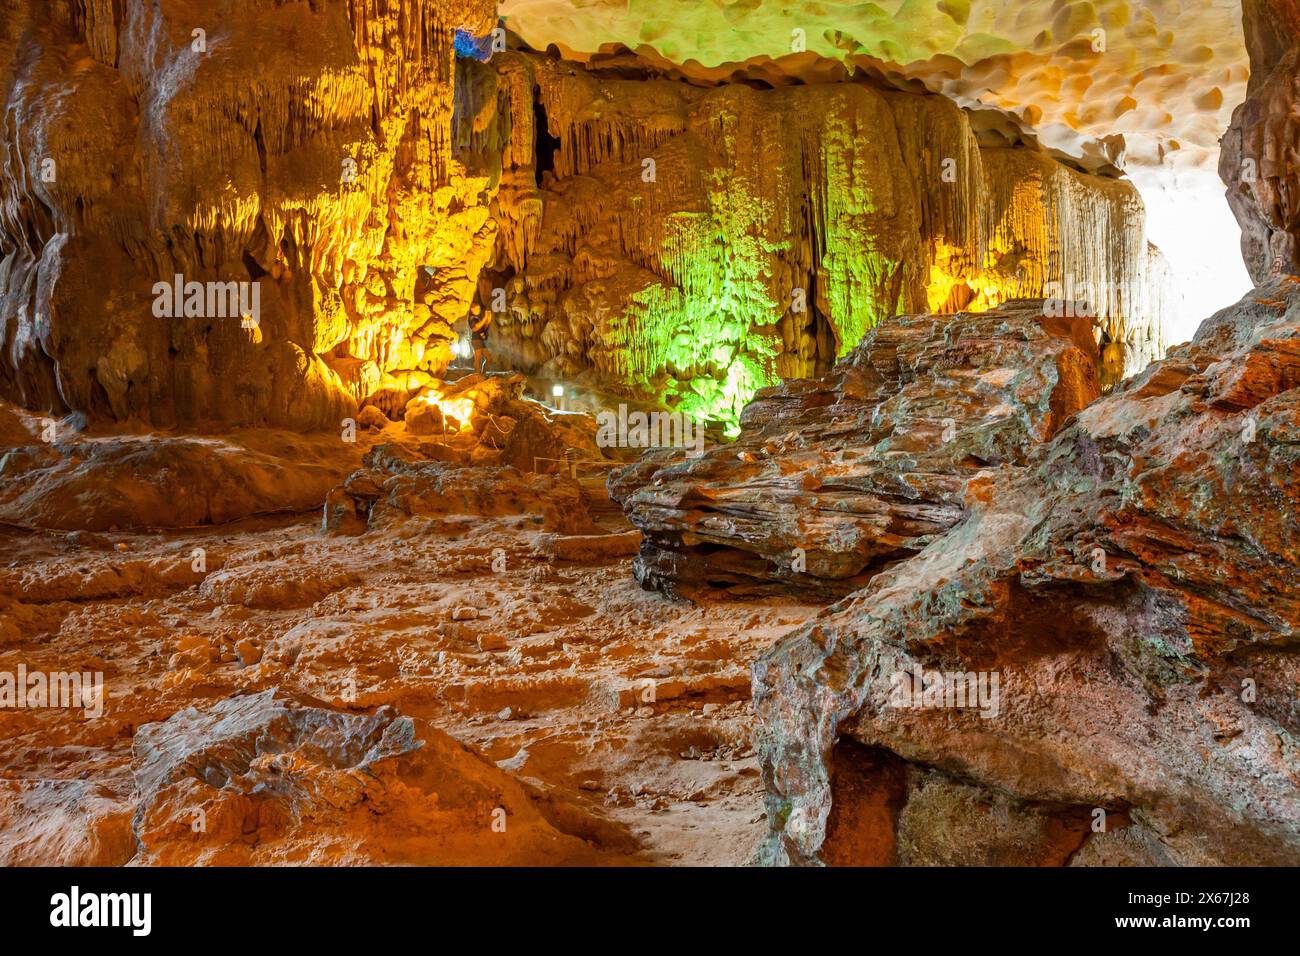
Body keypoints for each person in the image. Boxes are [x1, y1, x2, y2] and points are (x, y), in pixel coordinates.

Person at [469, 305, 493, 374]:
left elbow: (484, 327)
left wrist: (489, 319)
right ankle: (477, 375)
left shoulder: (478, 318)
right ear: (472, 309)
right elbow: (475, 328)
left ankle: (483, 374)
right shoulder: (471, 318)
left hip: (481, 340)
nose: (479, 309)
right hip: (476, 340)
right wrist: (485, 318)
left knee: (489, 359)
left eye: (479, 308)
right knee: (478, 359)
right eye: (477, 308)